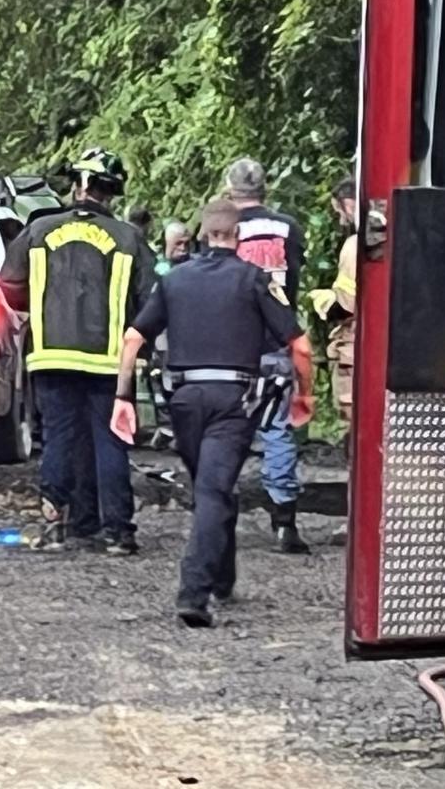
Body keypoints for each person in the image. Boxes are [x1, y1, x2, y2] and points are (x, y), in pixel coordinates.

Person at [111, 199, 313, 626]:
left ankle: (222, 578)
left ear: (202, 234)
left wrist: (123, 398)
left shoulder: (174, 280)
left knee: (212, 487)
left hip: (183, 401)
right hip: (232, 402)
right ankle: (193, 593)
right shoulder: (252, 280)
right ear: (238, 237)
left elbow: (132, 339)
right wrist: (303, 397)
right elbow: (300, 345)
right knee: (213, 492)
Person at [0, 147, 155, 555]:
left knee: (58, 440)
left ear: (76, 186)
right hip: (108, 359)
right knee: (111, 440)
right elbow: (149, 300)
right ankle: (118, 533)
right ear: (112, 192)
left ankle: (56, 527)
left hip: (50, 354)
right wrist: (143, 349)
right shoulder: (128, 238)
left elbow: (10, 284)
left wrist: (43, 308)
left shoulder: (38, 230)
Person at [222, 157, 310, 552]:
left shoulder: (222, 226)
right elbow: (294, 276)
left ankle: (219, 516)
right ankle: (284, 521)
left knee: (227, 431)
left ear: (230, 188)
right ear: (265, 187)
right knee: (277, 429)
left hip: (231, 345)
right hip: (276, 340)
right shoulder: (287, 227)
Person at [307, 177, 358, 431]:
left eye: (340, 212)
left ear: (349, 205)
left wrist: (326, 302)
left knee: (353, 417)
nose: (341, 221)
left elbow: (348, 304)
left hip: (354, 344)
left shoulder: (354, 246)